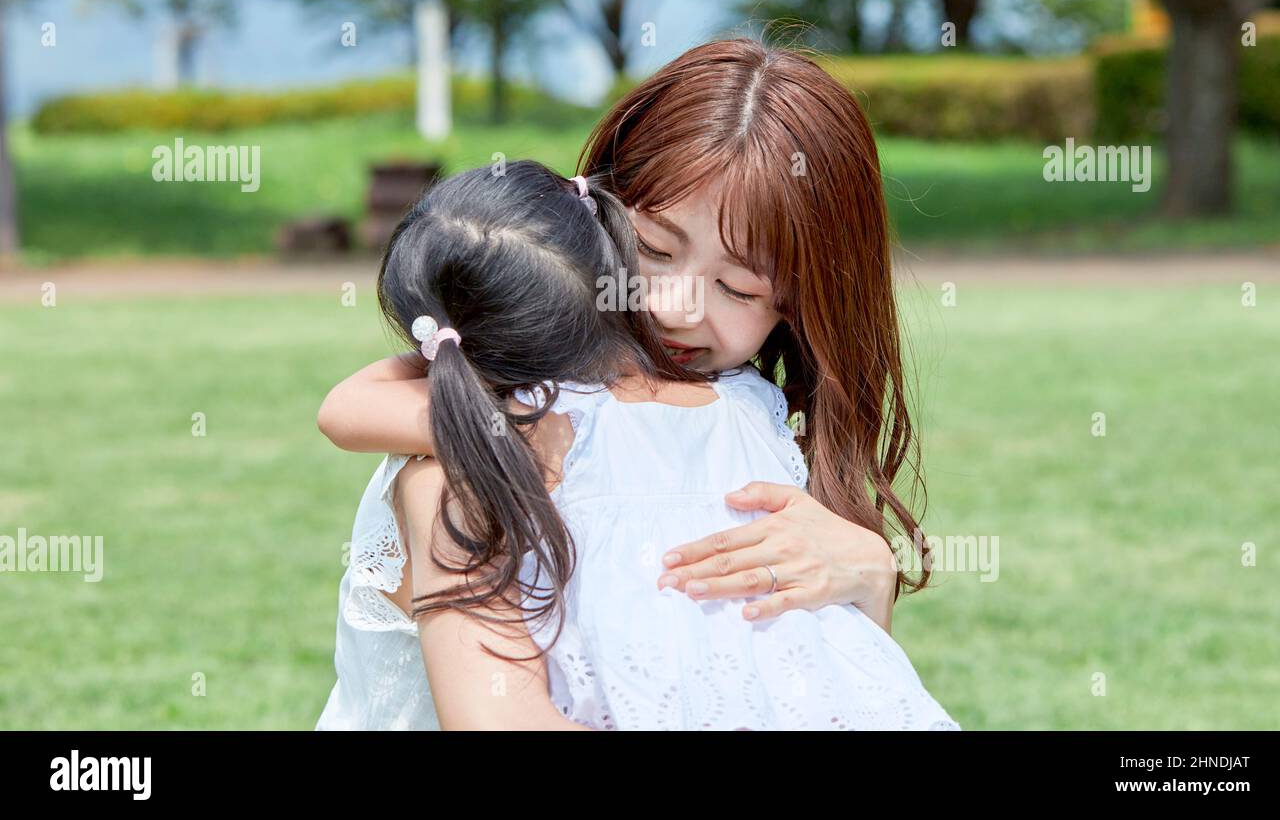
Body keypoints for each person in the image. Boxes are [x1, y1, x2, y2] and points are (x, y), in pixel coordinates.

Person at [317, 158, 958, 730]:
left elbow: (824, 669)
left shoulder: (747, 413)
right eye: (653, 248)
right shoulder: (472, 452)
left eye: (740, 288)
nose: (678, 309)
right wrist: (503, 438)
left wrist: (870, 577)